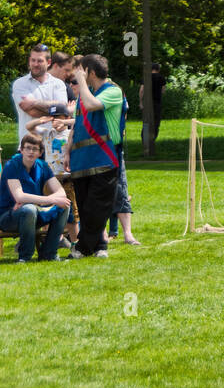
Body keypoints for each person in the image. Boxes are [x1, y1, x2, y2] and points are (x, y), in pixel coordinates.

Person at [68, 56, 127, 259]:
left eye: (81, 71)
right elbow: (77, 123)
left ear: (90, 72)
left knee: (97, 206)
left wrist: (81, 83)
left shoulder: (112, 91)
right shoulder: (83, 95)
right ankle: (100, 245)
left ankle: (82, 248)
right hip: (81, 159)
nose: (77, 75)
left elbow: (93, 105)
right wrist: (68, 150)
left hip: (103, 158)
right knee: (85, 207)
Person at [0, 135, 71, 262]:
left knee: (64, 205)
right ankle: (25, 257)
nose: (31, 152)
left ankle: (49, 253)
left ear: (40, 152)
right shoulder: (12, 165)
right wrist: (51, 200)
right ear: (21, 150)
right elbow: (19, 196)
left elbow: (61, 193)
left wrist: (35, 201)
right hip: (8, 216)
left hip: (35, 212)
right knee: (29, 209)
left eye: (35, 149)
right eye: (27, 148)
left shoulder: (42, 166)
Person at [25, 110, 78, 247]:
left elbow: (80, 121)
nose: (55, 122)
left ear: (66, 117)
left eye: (58, 118)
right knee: (48, 210)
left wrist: (65, 122)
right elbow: (29, 127)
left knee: (71, 212)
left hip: (67, 178)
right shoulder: (47, 133)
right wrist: (42, 120)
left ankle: (75, 242)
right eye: (53, 118)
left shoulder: (71, 134)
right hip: (50, 179)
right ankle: (50, 241)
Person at [11, 44, 68, 141]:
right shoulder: (20, 84)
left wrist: (34, 103)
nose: (35, 64)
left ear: (49, 62)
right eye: (33, 60)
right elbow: (31, 111)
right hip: (28, 147)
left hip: (53, 147)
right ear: (29, 60)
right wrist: (54, 110)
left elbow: (62, 110)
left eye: (40, 61)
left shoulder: (58, 84)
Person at [107, 151, 140, 246]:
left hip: (114, 151)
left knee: (120, 192)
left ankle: (127, 235)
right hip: (94, 152)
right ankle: (104, 235)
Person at [139, 64, 165, 142]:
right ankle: (152, 139)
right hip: (157, 103)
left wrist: (141, 102)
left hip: (147, 103)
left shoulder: (146, 77)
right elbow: (163, 91)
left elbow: (141, 90)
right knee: (156, 123)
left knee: (146, 122)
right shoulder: (161, 78)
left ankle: (145, 140)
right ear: (158, 69)